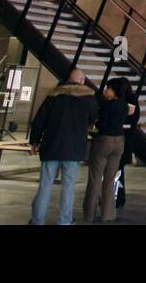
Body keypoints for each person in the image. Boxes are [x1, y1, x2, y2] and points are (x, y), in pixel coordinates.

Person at [29, 67, 99, 225]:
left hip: (51, 146)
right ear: (82, 81)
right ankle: (64, 220)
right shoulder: (88, 98)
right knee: (68, 186)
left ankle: (37, 220)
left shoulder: (54, 96)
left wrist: (34, 141)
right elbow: (94, 119)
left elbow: (40, 120)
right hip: (74, 149)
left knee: (45, 185)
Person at [84, 78, 130, 222]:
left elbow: (102, 124)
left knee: (95, 178)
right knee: (110, 180)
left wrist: (96, 122)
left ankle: (89, 214)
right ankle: (107, 214)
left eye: (108, 88)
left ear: (113, 90)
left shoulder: (107, 106)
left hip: (104, 141)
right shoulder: (124, 106)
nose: (105, 91)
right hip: (119, 142)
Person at [115, 81, 139, 211]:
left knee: (118, 171)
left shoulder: (127, 100)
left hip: (122, 139)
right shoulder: (131, 99)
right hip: (125, 139)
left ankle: (118, 198)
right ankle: (118, 198)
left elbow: (133, 118)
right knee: (119, 171)